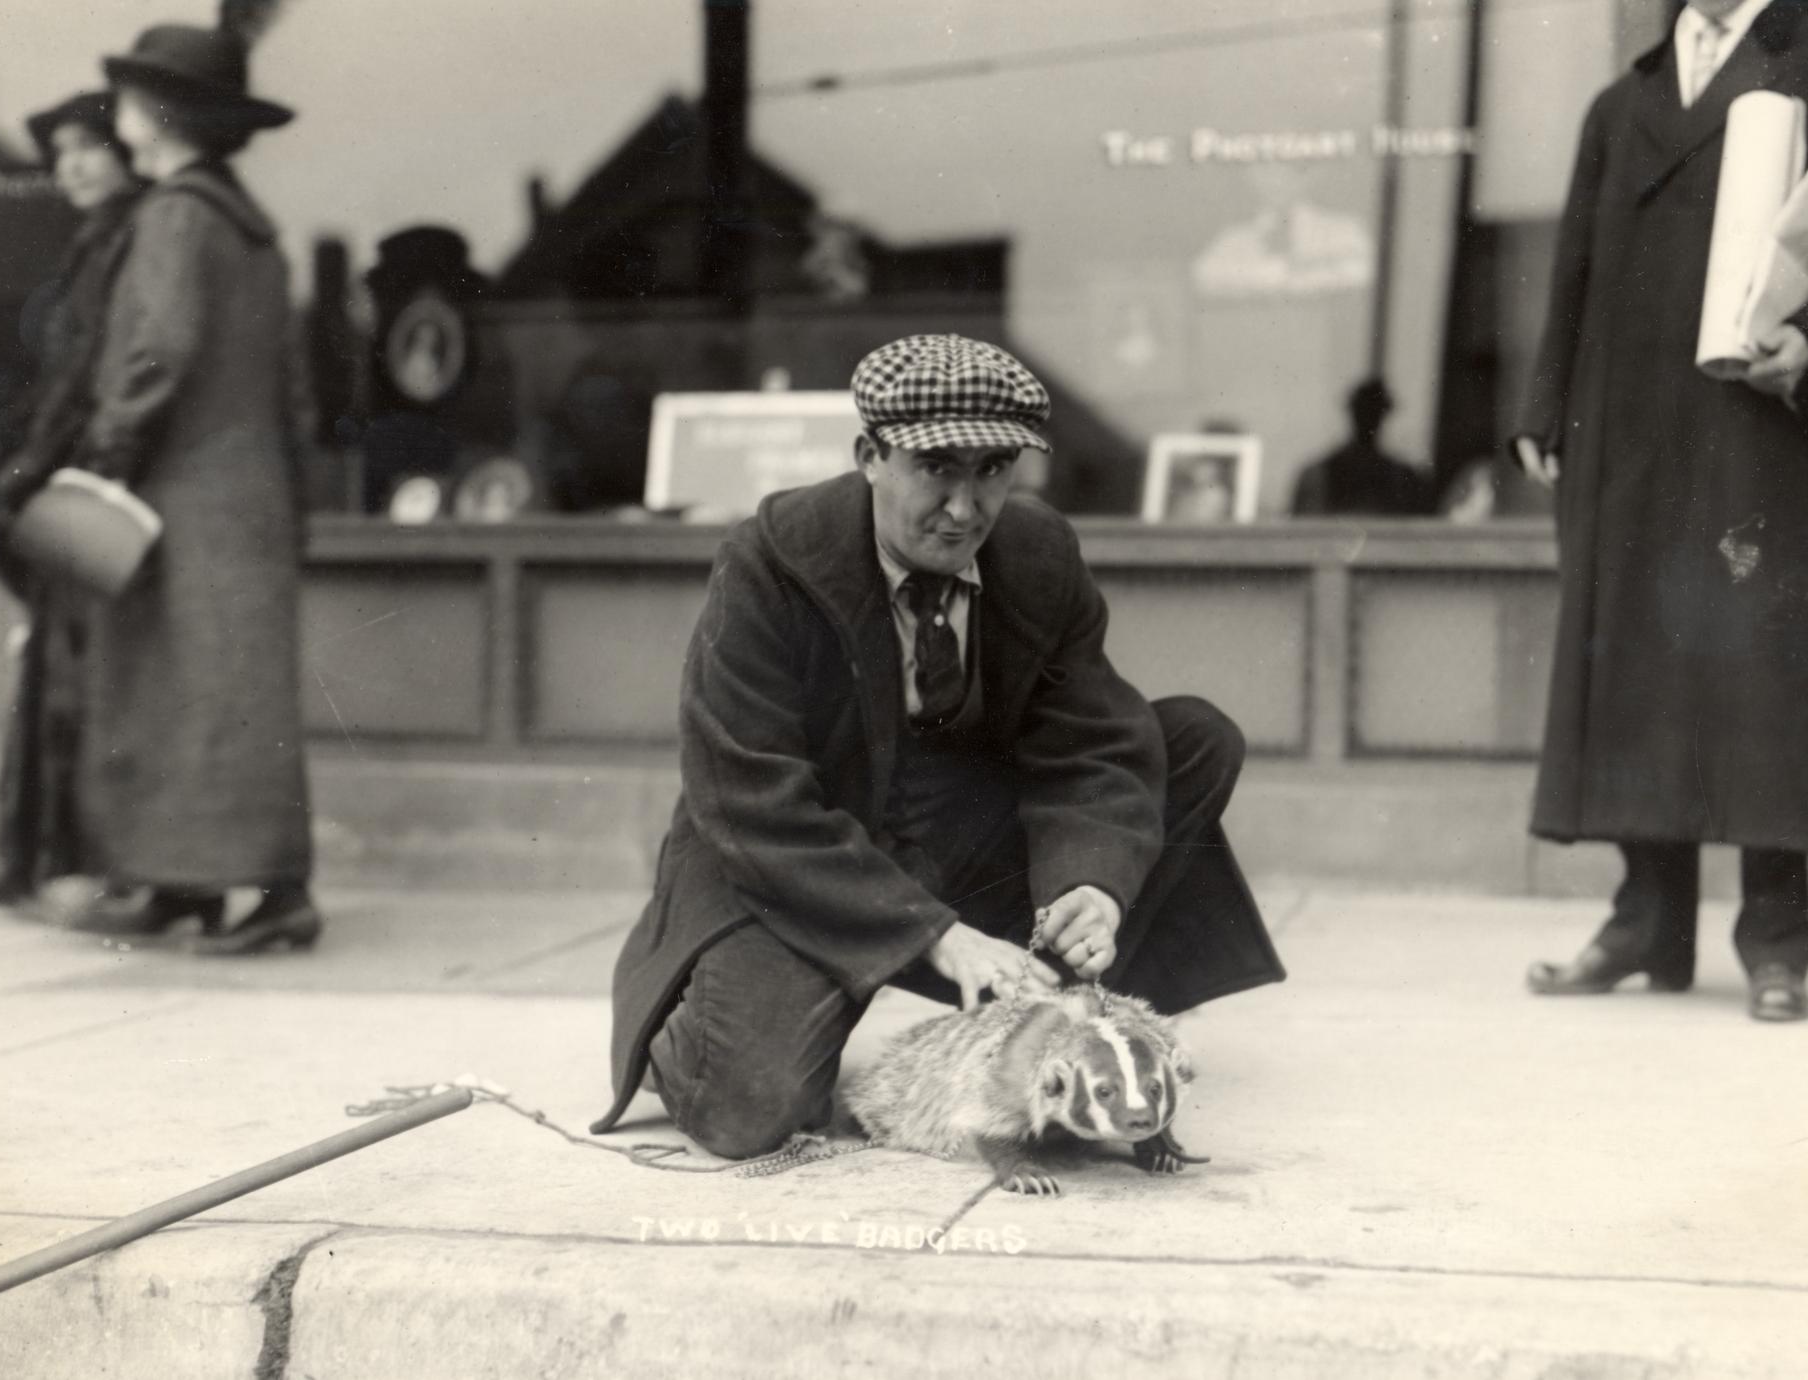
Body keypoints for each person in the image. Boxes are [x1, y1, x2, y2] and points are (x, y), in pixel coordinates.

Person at [590, 334, 1286, 1155]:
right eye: (937, 468)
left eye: (992, 470)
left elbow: (1091, 734)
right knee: (753, 1112)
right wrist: (935, 935)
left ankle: (1078, 1040)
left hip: (955, 835)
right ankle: (701, 1013)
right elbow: (749, 800)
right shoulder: (769, 562)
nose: (965, 509)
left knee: (1192, 739)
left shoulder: (1036, 552)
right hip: (799, 861)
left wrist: (1092, 880)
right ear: (870, 456)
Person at [1515, 0, 1808, 1021]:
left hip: (1760, 422)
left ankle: (1778, 937)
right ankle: (1645, 920)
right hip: (1625, 418)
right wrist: (1544, 404)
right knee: (1634, 654)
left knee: (1760, 673)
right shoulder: (1621, 98)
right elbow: (1573, 267)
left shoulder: (1799, 56)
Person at [66, 19, 322, 954]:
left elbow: (158, 349)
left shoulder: (175, 214)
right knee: (218, 696)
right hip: (244, 493)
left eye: (131, 94)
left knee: (191, 694)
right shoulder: (251, 229)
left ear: (163, 116)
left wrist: (107, 448)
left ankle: (265, 894)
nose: (120, 110)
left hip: (180, 491)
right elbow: (292, 386)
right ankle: (188, 883)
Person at [0, 92, 144, 906]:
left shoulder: (136, 240)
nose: (71, 167)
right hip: (64, 464)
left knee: (85, 675)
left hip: (102, 471)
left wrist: (30, 464)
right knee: (49, 670)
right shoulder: (90, 244)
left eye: (89, 148)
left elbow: (109, 373)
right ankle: (37, 855)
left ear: (128, 152)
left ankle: (81, 859)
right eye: (60, 154)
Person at [1290, 379, 1432, 517]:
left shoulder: (1402, 476)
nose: (1368, 419)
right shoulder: (1319, 474)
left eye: (1373, 412)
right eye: (1363, 410)